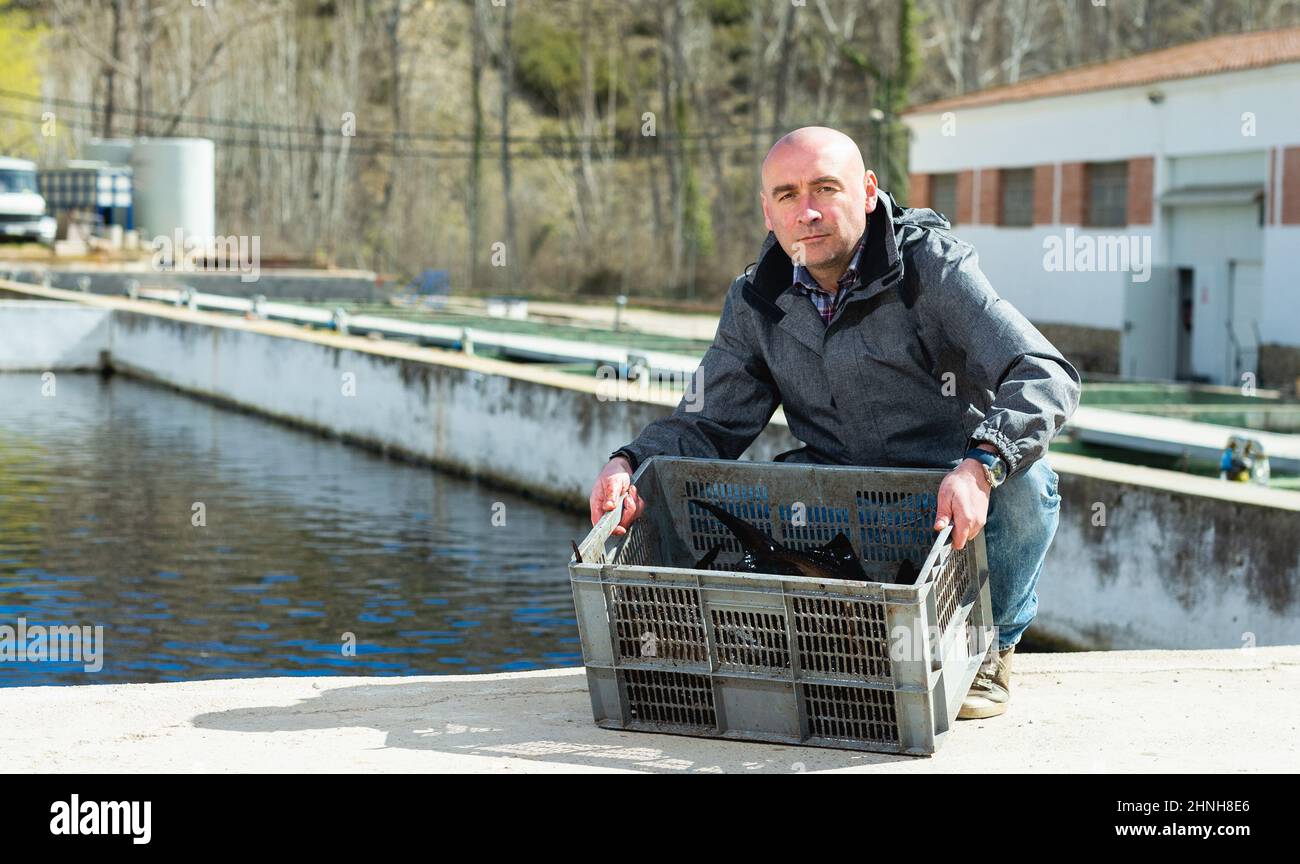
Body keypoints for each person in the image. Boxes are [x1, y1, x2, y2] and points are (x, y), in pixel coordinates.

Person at [588, 126, 1080, 719]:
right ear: (768, 212)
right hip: (836, 491)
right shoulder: (756, 301)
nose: (809, 211)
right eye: (789, 195)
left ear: (868, 192)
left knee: (1028, 485)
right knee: (718, 496)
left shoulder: (932, 269)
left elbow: (1045, 372)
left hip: (945, 496)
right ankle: (804, 644)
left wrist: (982, 464)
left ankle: (989, 648)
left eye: (827, 188)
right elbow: (706, 423)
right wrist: (628, 462)